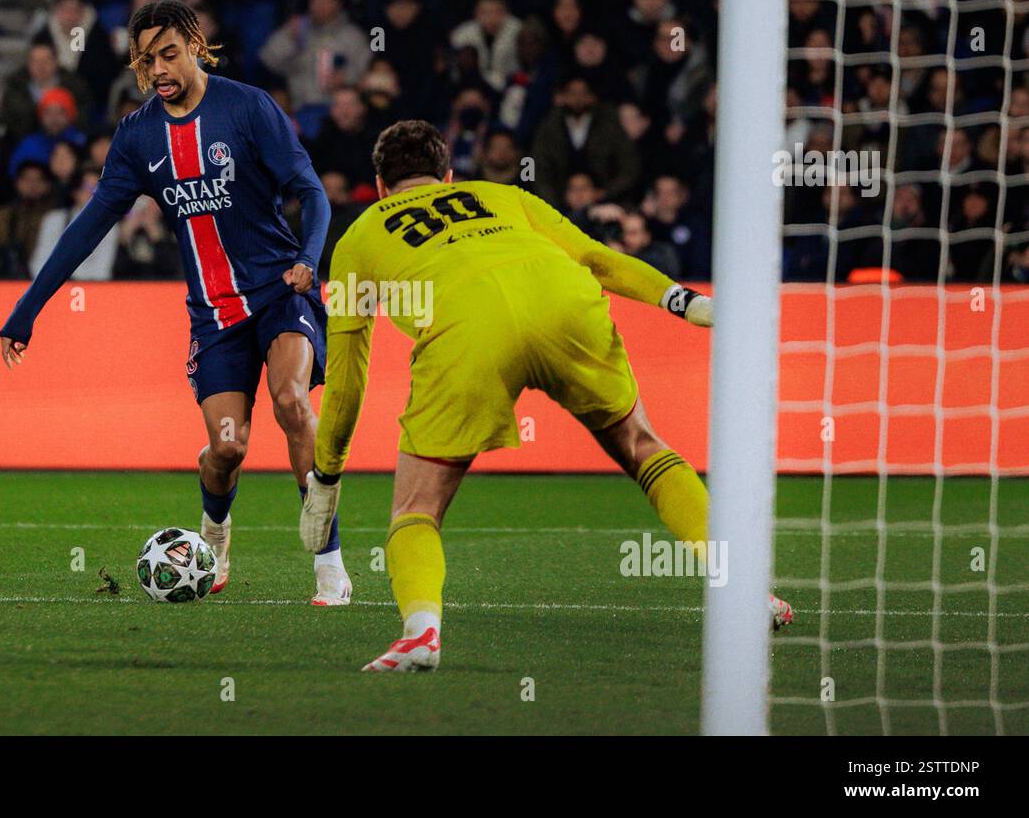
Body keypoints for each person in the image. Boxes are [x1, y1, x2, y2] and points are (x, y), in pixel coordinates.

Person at [299, 120, 792, 672]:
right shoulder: (503, 195)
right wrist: (678, 299)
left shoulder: (358, 238)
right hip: (564, 303)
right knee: (644, 448)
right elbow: (597, 259)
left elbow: (347, 378)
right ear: (448, 175)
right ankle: (747, 593)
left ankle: (421, 632)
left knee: (417, 509)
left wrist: (326, 477)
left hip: (466, 335)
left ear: (382, 185)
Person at [0, 0, 351, 605]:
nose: (158, 69)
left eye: (168, 53)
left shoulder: (247, 106)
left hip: (277, 291)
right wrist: (27, 309)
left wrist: (308, 259)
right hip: (213, 318)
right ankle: (215, 531)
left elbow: (311, 193)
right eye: (145, 60)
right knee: (228, 448)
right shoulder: (138, 137)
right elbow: (88, 227)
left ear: (194, 43)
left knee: (292, 401)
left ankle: (329, 562)